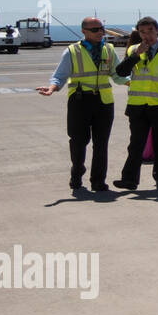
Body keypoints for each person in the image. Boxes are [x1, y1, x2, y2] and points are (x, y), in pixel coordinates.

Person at [37, 17, 127, 192]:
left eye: (102, 28)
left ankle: (98, 181)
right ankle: (77, 171)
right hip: (80, 102)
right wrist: (52, 88)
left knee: (101, 143)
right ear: (83, 31)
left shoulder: (109, 49)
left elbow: (117, 75)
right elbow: (60, 75)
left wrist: (131, 82)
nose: (100, 32)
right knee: (78, 142)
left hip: (104, 103)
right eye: (95, 30)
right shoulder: (72, 51)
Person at [113, 16, 158, 190]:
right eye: (142, 32)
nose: (147, 36)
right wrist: (136, 55)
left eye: (150, 31)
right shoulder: (133, 50)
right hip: (138, 106)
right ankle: (129, 179)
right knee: (135, 145)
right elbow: (121, 72)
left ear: (157, 30)